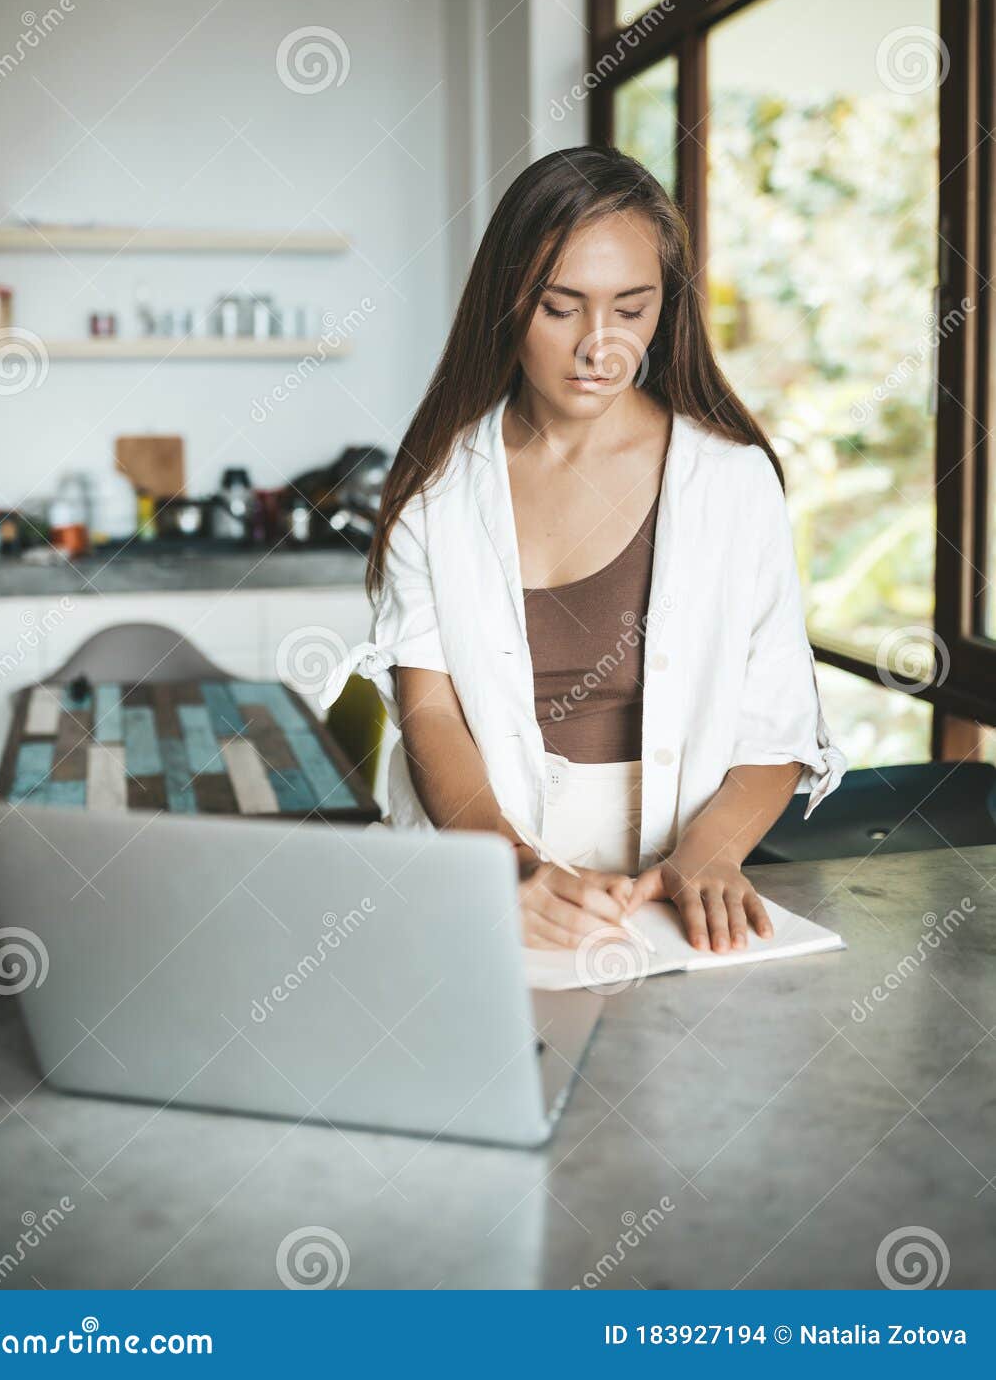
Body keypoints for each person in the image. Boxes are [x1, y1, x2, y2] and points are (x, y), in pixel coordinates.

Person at [320, 146, 846, 955]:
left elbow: (776, 726)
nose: (598, 349)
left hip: (662, 888)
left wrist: (707, 854)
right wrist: (508, 869)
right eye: (559, 309)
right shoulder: (437, 483)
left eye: (630, 310)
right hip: (472, 864)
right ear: (505, 303)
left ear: (666, 308)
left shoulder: (731, 483)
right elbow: (431, 712)